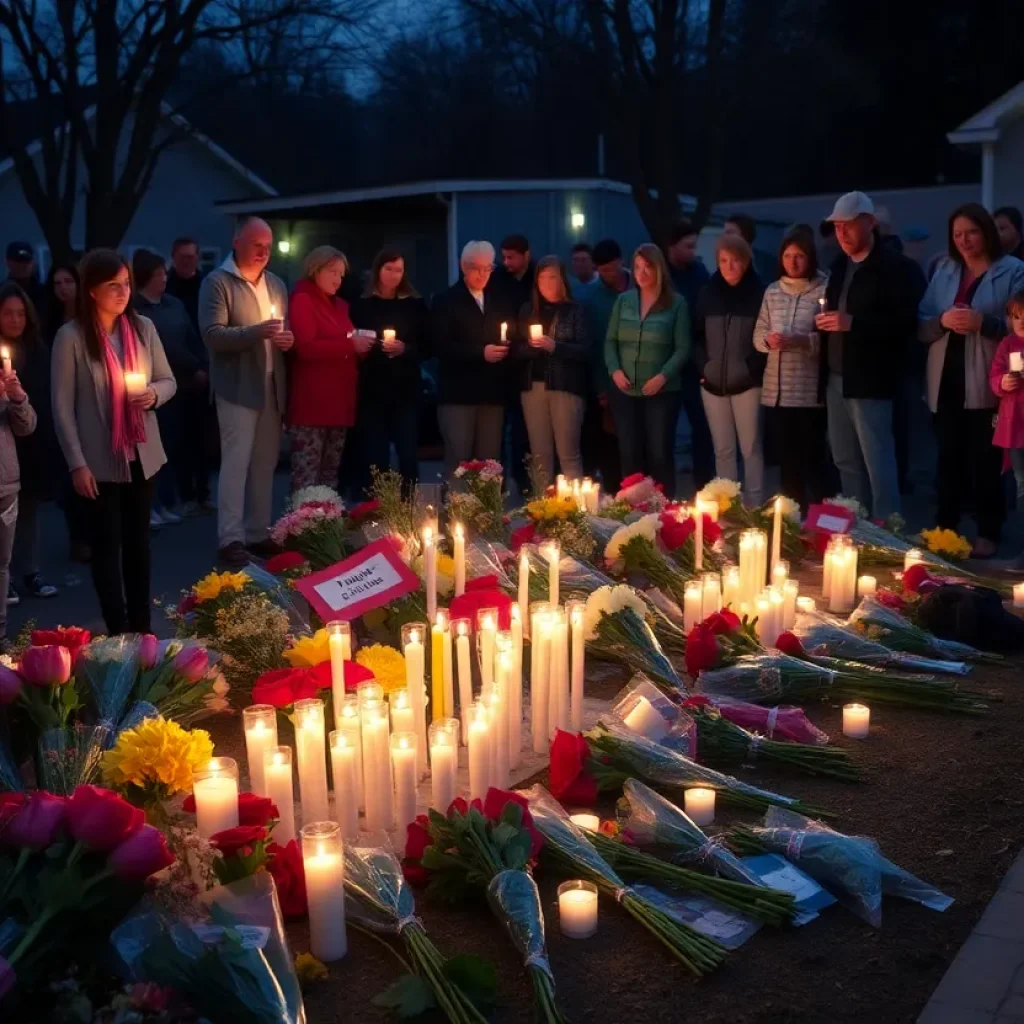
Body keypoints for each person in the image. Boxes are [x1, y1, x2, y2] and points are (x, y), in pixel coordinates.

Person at [51, 249, 177, 635]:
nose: (123, 292)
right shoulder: (71, 337)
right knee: (106, 547)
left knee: (139, 544)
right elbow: (62, 406)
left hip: (142, 452)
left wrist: (153, 394)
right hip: (99, 459)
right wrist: (77, 463)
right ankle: (118, 631)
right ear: (91, 291)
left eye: (126, 284)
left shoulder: (143, 329)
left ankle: (142, 629)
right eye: (112, 286)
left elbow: (168, 380)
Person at [918, 203, 1024, 557]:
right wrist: (942, 322)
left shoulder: (1012, 271)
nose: (964, 241)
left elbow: (1019, 326)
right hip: (945, 375)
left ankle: (988, 530)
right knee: (947, 457)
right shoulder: (945, 269)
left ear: (987, 232)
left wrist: (985, 324)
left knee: (985, 460)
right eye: (957, 234)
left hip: (986, 377)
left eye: (972, 232)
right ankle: (944, 529)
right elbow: (922, 320)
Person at [815, 191, 920, 520]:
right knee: (844, 458)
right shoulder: (838, 267)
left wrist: (853, 324)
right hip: (835, 375)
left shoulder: (895, 269)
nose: (841, 234)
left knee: (877, 459)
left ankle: (889, 530)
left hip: (871, 378)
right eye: (837, 227)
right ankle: (856, 525)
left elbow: (904, 324)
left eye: (848, 225)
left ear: (870, 223)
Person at [199, 217, 293, 568]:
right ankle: (231, 538)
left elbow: (282, 332)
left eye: (268, 247)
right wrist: (257, 332)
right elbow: (212, 335)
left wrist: (287, 339)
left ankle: (257, 531)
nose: (264, 253)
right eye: (257, 246)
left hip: (271, 384)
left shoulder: (276, 284)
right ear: (237, 242)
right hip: (237, 387)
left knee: (265, 463)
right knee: (236, 463)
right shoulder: (217, 283)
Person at [604, 243, 690, 496]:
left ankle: (663, 511)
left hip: (661, 391)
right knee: (629, 451)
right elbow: (610, 341)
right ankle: (632, 512)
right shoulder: (624, 301)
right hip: (625, 389)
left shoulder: (676, 304)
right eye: (637, 267)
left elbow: (682, 348)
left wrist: (663, 376)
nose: (640, 273)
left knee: (659, 451)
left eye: (647, 267)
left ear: (659, 269)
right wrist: (614, 370)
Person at [753, 226, 829, 509]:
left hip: (809, 391)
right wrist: (768, 340)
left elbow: (828, 339)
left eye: (799, 256)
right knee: (786, 460)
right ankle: (791, 517)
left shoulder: (823, 288)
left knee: (813, 458)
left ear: (810, 258)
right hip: (777, 390)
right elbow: (758, 331)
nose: (793, 262)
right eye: (787, 256)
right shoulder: (773, 291)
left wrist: (801, 340)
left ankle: (819, 516)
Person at [132, 249, 209, 524]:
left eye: (165, 274)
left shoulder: (174, 305)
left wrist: (202, 364)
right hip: (154, 386)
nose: (164, 278)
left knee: (176, 447)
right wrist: (191, 363)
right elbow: (166, 348)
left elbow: (191, 335)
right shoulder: (136, 310)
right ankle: (150, 505)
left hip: (185, 386)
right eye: (158, 275)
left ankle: (168, 501)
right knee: (154, 446)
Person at [287, 246, 367, 493]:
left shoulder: (340, 306)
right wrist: (349, 345)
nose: (337, 279)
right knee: (307, 477)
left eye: (341, 275)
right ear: (315, 269)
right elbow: (307, 348)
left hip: (339, 401)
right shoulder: (303, 300)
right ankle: (301, 528)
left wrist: (360, 347)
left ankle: (326, 527)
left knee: (330, 475)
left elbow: (346, 339)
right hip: (314, 403)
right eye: (332, 272)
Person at [694, 234, 766, 505]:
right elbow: (697, 335)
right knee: (722, 449)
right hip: (712, 384)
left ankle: (755, 506)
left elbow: (764, 337)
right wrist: (704, 366)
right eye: (723, 261)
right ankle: (730, 507)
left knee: (751, 448)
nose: (729, 266)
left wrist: (751, 370)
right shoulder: (707, 293)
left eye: (735, 260)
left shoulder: (759, 293)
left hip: (747, 384)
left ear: (746, 262)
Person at [350, 248, 428, 492]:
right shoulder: (362, 305)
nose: (394, 275)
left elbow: (429, 345)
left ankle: (410, 503)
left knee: (407, 450)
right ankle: (378, 504)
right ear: (378, 270)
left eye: (399, 270)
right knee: (376, 451)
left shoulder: (414, 305)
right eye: (389, 269)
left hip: (405, 389)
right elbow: (353, 340)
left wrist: (405, 349)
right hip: (373, 388)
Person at [0, 283, 59, 604]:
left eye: (20, 313)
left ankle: (30, 570)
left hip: (32, 439)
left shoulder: (37, 350)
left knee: (29, 511)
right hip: (3, 444)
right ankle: (4, 576)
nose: (15, 319)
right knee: (5, 514)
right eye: (7, 313)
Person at [432, 240, 509, 479]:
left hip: (491, 393)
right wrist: (481, 352)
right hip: (458, 394)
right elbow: (441, 346)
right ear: (463, 267)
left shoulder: (498, 300)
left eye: (488, 268)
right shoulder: (446, 300)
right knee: (459, 461)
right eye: (476, 267)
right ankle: (458, 513)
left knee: (489, 463)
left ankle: (487, 513)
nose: (482, 274)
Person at [513, 255, 590, 484]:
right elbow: (516, 350)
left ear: (563, 280)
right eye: (542, 277)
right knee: (539, 455)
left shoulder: (576, 310)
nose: (547, 283)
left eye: (553, 277)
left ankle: (576, 511)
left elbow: (586, 350)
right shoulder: (528, 310)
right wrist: (532, 348)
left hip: (565, 387)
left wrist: (556, 346)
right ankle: (543, 512)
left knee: (568, 453)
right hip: (533, 388)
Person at [42, 261, 90, 565]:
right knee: (71, 470)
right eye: (57, 283)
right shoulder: (49, 320)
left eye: (68, 282)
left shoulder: (88, 321)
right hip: (59, 400)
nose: (63, 289)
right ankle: (78, 538)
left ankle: (92, 535)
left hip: (85, 401)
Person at [666, 220, 715, 489]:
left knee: (702, 428)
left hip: (695, 363)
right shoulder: (662, 275)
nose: (693, 251)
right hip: (667, 363)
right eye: (688, 246)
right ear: (672, 247)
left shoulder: (699, 272)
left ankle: (704, 487)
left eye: (694, 245)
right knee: (665, 432)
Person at [488, 234, 535, 495]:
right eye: (503, 256)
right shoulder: (499, 281)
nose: (506, 262)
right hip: (502, 366)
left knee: (523, 430)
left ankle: (525, 479)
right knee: (499, 429)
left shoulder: (535, 278)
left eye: (511, 257)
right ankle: (500, 481)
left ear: (526, 254)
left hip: (526, 364)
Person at [0, 319, 36, 652]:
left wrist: (17, 397)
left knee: (2, 564)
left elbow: (26, 427)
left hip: (5, 483)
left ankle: (0, 638)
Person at [577, 239, 626, 487]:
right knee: (604, 440)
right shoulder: (590, 297)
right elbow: (593, 344)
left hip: (635, 376)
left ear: (621, 262)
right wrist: (600, 387)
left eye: (611, 268)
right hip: (602, 378)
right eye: (602, 270)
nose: (608, 275)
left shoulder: (636, 288)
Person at [990, 292, 1024, 571]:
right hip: (1016, 426)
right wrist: (1004, 382)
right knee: (1021, 487)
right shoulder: (1008, 344)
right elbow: (995, 377)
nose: (1020, 321)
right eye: (1015, 316)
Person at [166, 237, 205, 331]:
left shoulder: (208, 285)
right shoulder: (163, 285)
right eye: (182, 257)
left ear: (197, 258)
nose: (186, 262)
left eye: (190, 257)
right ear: (173, 257)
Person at [4, 242, 46, 313]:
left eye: (26, 261)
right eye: (18, 261)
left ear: (33, 262)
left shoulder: (46, 293)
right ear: (7, 262)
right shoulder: (2, 292)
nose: (22, 265)